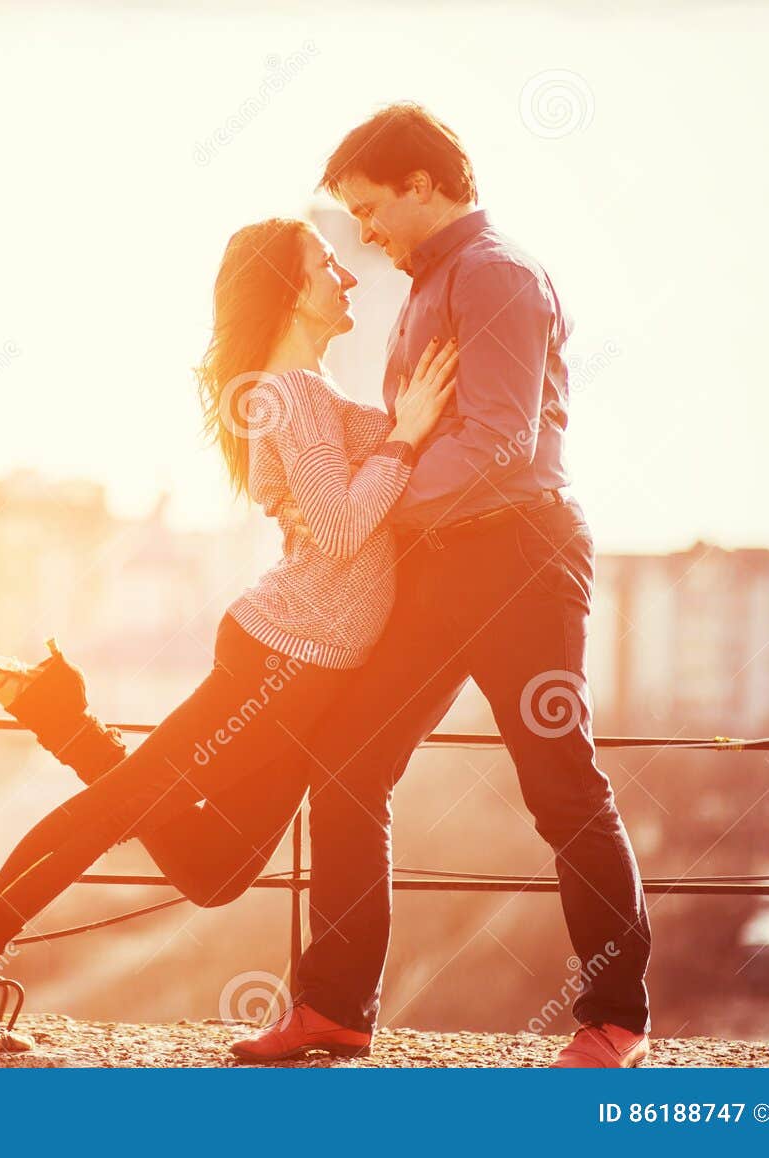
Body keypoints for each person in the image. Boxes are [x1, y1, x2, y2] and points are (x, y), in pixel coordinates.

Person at [0, 217, 458, 1053]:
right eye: (326, 264)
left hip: (311, 668)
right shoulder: (290, 392)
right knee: (113, 813)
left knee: (214, 871)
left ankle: (63, 717)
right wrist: (409, 434)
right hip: (282, 658)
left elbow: (338, 511)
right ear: (286, 290)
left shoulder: (307, 393)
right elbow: (342, 529)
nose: (347, 275)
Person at [228, 102, 653, 1068]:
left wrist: (377, 506)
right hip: (438, 562)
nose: (363, 233)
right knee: (346, 767)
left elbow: (499, 435)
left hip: (520, 561)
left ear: (424, 184)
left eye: (372, 208)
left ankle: (615, 1018)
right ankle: (334, 1010)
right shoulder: (427, 285)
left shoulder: (495, 274)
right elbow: (401, 434)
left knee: (559, 782)